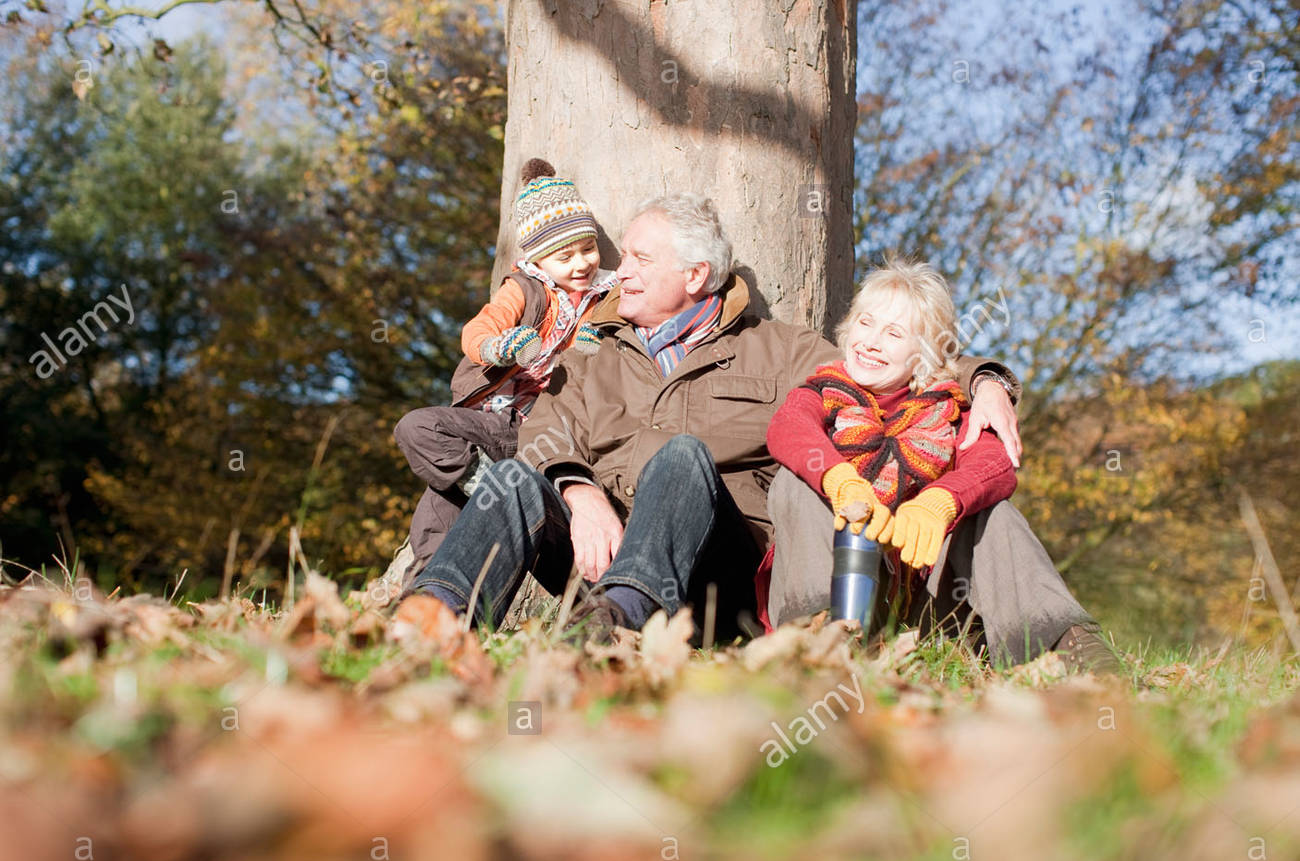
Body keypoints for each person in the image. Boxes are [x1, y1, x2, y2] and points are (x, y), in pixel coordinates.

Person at [391, 194, 1022, 647]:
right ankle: (432, 615)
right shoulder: (597, 357)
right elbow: (545, 427)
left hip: (717, 571)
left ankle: (623, 626)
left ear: (695, 275)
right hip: (599, 557)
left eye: (639, 258)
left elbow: (885, 362)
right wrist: (580, 494)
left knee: (681, 454)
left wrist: (984, 378)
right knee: (512, 479)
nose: (621, 271)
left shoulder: (777, 349)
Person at [764, 256, 1117, 674]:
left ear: (926, 354)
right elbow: (788, 428)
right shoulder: (820, 393)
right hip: (844, 587)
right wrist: (839, 479)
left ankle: (1067, 646)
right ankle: (817, 639)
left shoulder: (951, 409)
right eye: (865, 322)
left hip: (928, 605)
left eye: (893, 333)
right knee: (796, 481)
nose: (870, 341)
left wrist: (940, 501)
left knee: (994, 514)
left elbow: (996, 463)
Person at [390, 159, 615, 588]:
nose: (581, 263)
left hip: (546, 428)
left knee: (440, 494)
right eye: (564, 256)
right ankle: (429, 593)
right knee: (426, 464)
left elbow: (602, 354)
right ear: (537, 259)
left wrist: (591, 345)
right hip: (496, 420)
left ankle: (502, 505)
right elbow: (478, 329)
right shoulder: (524, 289)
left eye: (588, 249)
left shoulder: (609, 294)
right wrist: (500, 346)